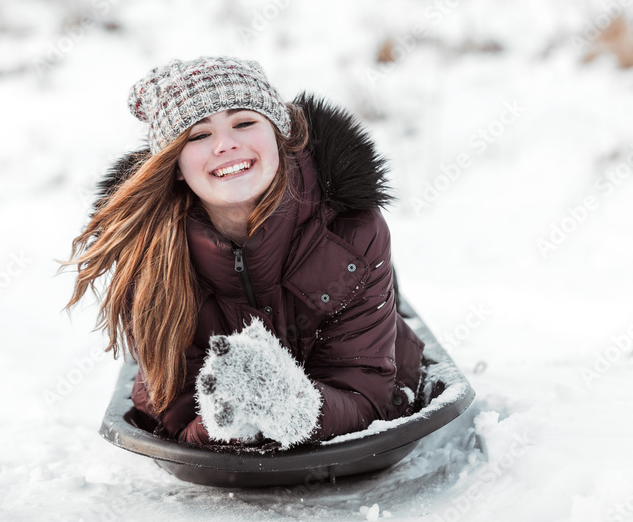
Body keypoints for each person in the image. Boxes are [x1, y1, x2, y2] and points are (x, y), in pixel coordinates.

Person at [62, 56, 424, 448]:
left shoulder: (352, 231)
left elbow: (365, 393)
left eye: (244, 123)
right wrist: (226, 421)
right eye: (198, 135)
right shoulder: (148, 259)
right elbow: (173, 417)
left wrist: (295, 408)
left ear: (278, 135)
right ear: (176, 165)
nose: (225, 144)